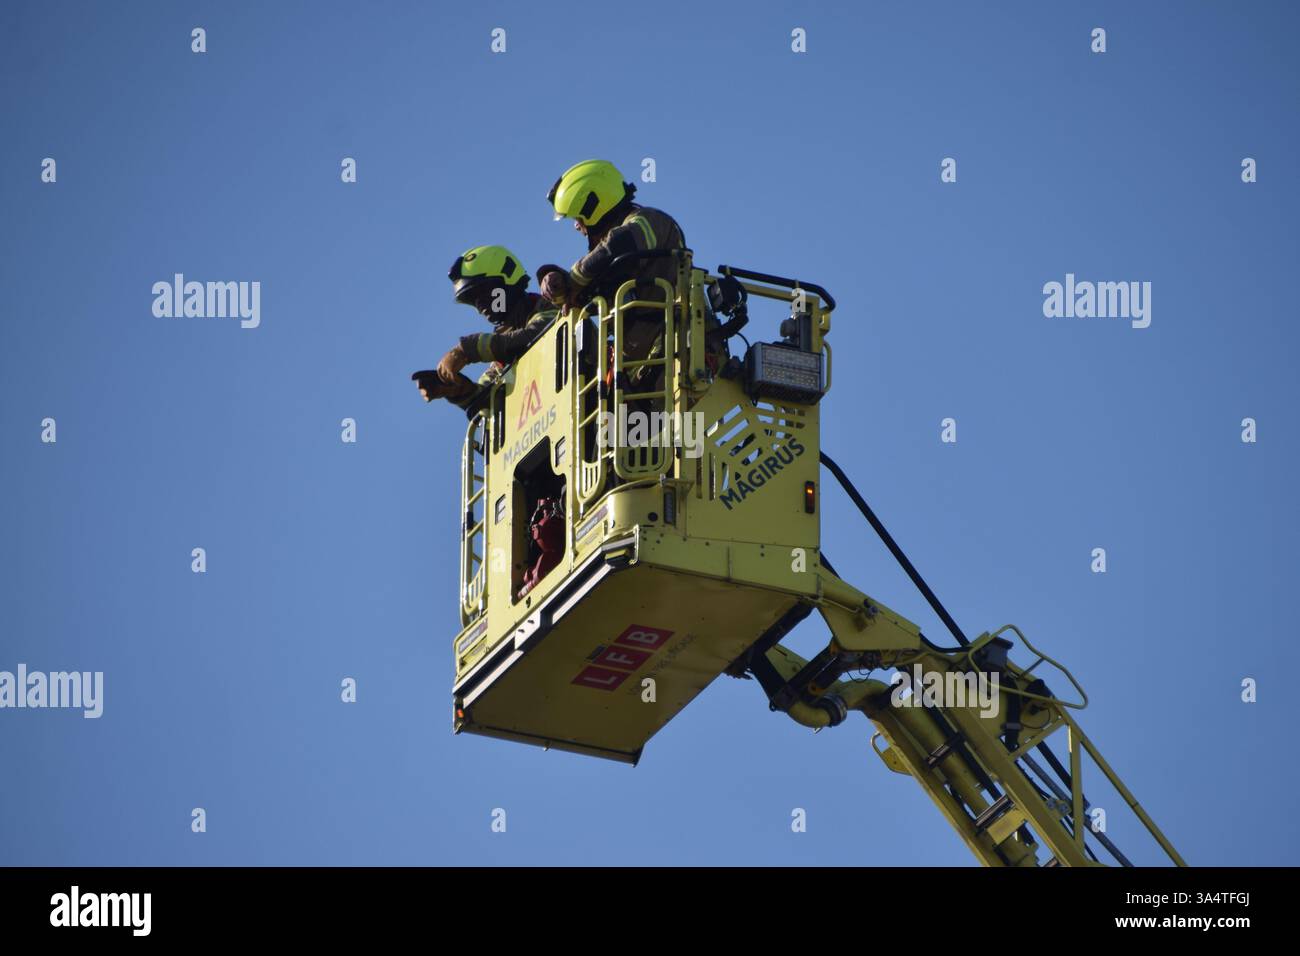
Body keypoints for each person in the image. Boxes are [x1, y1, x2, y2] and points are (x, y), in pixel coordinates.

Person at [412, 245, 558, 412]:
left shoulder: (549, 308)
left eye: (482, 293)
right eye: (473, 300)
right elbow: (485, 399)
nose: (480, 306)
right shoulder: (501, 360)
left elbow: (529, 337)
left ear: (507, 277)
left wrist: (465, 350)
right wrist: (456, 389)